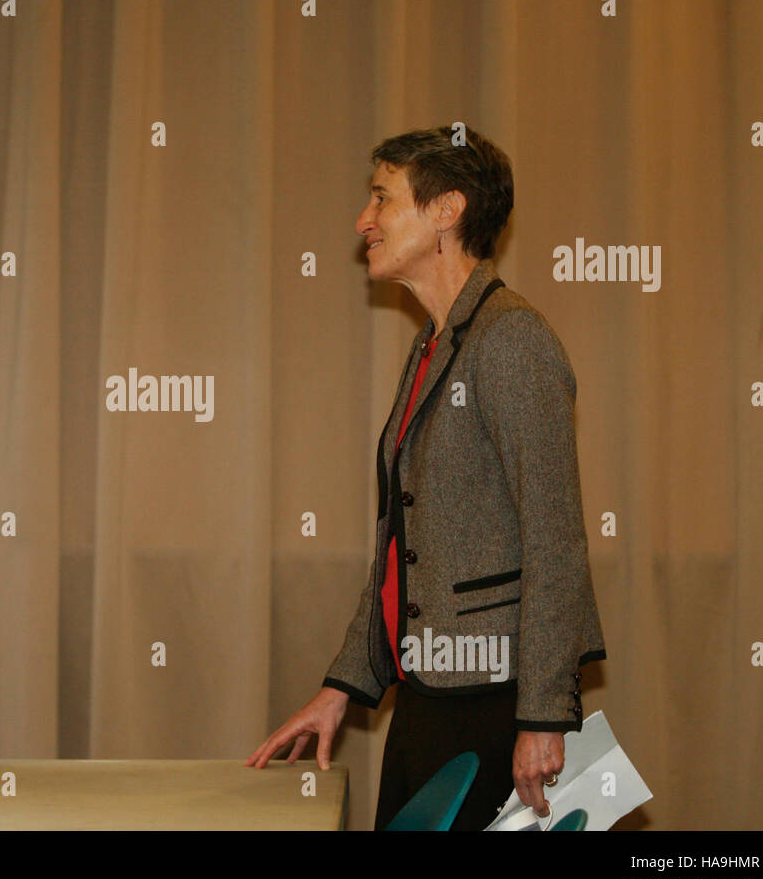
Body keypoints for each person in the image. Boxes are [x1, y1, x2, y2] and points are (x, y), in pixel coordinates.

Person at [247, 125, 606, 830]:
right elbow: (401, 548)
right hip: (426, 696)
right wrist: (344, 686)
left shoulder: (512, 338)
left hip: (495, 706)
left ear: (447, 209)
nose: (363, 220)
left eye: (382, 197)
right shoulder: (432, 345)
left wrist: (542, 718)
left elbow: (555, 540)